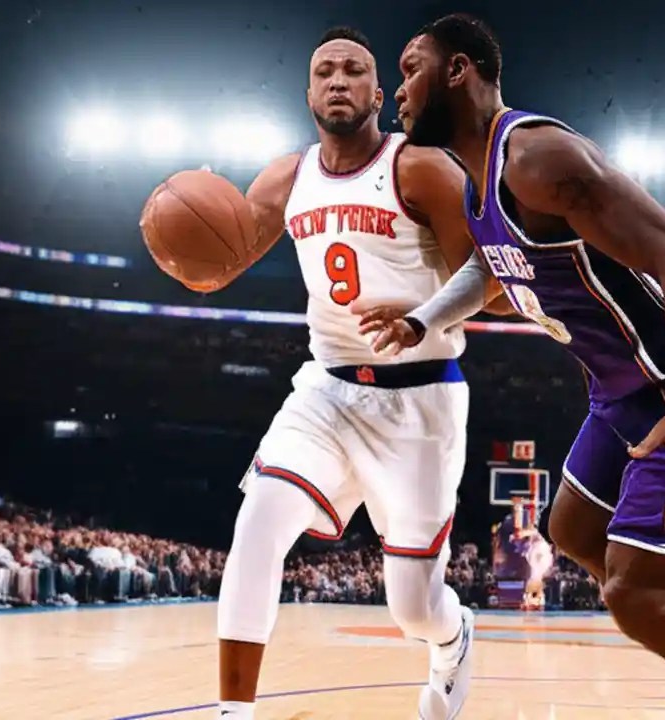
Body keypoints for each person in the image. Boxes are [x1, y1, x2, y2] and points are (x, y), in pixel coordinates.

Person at [363, 14, 665, 720]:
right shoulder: (479, 187)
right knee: (569, 531)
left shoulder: (536, 159)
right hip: (625, 389)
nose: (395, 91)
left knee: (632, 591)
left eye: (410, 67)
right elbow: (491, 267)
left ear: (460, 71)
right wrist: (424, 317)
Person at [214, 26, 510, 720]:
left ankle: (454, 636)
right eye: (325, 71)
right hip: (327, 390)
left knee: (413, 609)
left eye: (354, 70)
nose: (339, 80)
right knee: (256, 527)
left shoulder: (420, 167)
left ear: (379, 94)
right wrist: (187, 249)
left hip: (421, 401)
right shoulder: (285, 178)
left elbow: (492, 270)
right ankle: (232, 713)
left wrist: (420, 311)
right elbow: (220, 260)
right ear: (309, 92)